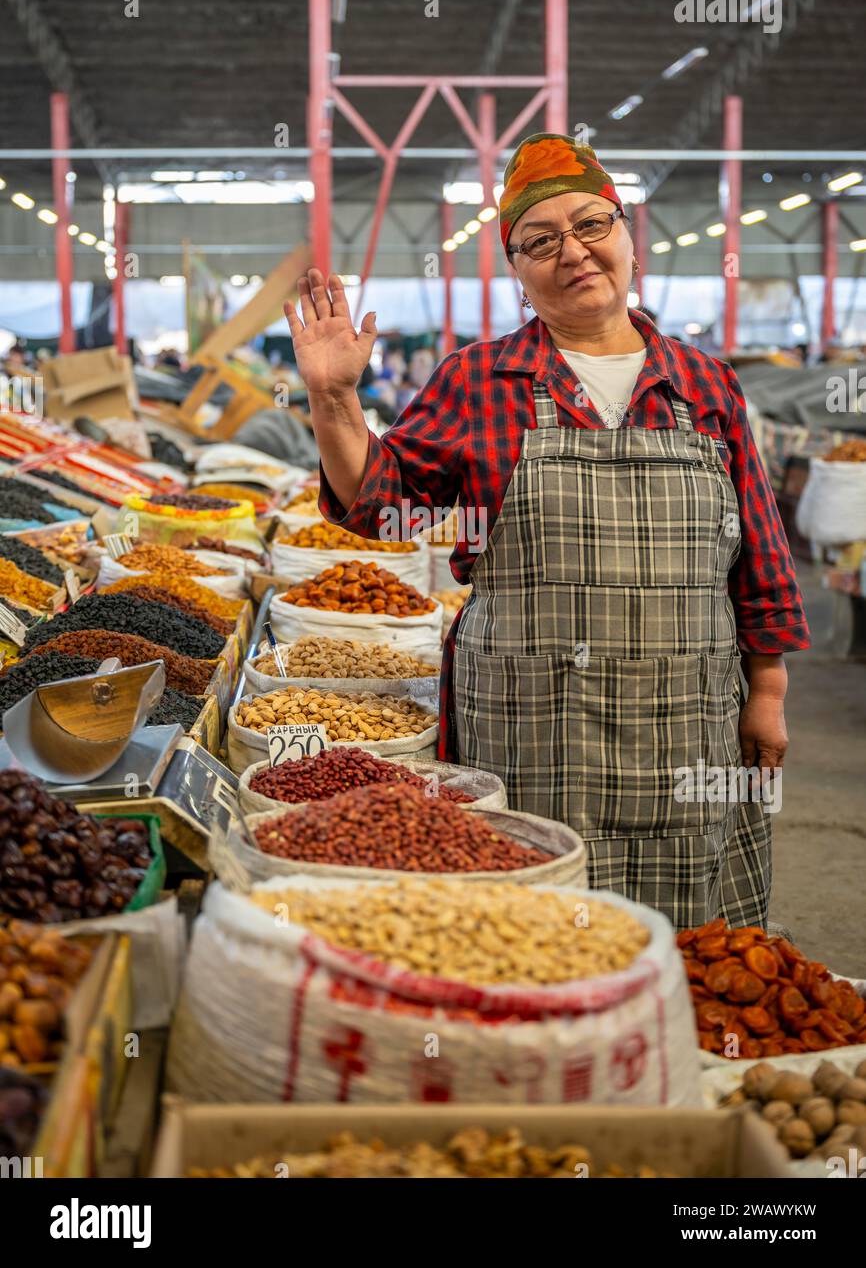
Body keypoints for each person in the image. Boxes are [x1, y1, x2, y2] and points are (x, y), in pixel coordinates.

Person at [284, 132, 810, 929]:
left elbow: (761, 558)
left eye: (592, 225)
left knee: (689, 946)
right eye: (540, 242)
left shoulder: (708, 385)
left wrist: (766, 691)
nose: (574, 252)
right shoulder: (477, 379)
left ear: (628, 234)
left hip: (689, 717)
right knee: (529, 927)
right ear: (520, 275)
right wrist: (333, 400)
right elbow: (379, 502)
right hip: (531, 721)